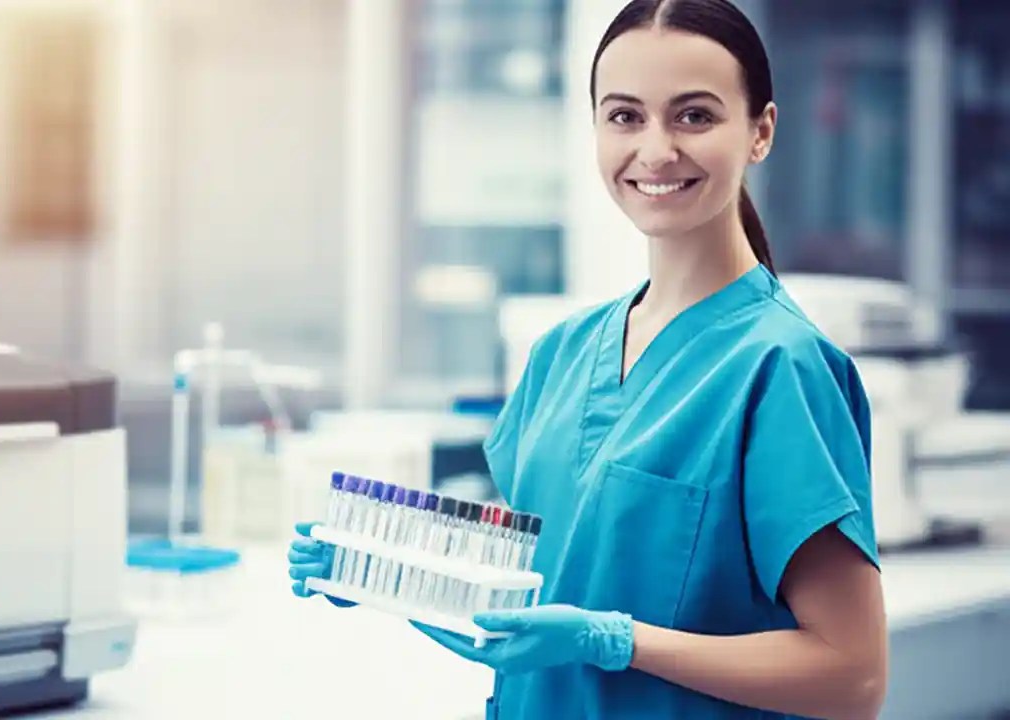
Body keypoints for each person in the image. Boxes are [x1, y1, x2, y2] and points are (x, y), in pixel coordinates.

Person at [288, 0, 888, 717]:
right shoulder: (561, 354)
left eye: (695, 116)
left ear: (760, 131)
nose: (657, 150)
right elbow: (543, 576)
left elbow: (851, 676)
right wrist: (377, 566)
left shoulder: (781, 368)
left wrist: (615, 641)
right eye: (625, 116)